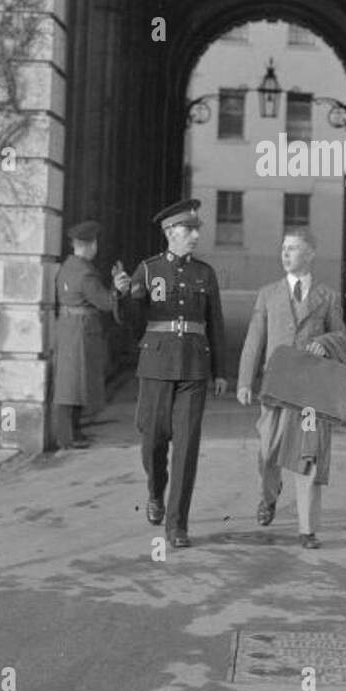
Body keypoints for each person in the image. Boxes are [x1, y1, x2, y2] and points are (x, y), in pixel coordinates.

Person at [236, 228, 346, 549]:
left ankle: (308, 530)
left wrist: (324, 343)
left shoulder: (328, 296)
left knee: (309, 457)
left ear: (310, 254)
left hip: (310, 392)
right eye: (283, 249)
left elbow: (343, 337)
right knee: (267, 454)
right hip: (275, 388)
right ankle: (269, 494)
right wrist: (245, 381)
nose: (285, 254)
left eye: (292, 249)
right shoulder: (268, 294)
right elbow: (254, 339)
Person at [115, 198, 226, 549]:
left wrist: (221, 371)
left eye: (196, 229)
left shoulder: (205, 274)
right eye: (188, 229)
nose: (195, 235)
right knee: (153, 441)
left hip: (194, 367)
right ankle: (154, 492)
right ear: (169, 233)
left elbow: (216, 324)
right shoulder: (147, 271)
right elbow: (131, 320)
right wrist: (121, 297)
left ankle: (177, 525)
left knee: (187, 448)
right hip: (157, 366)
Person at [51, 220, 122, 451]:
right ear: (90, 245)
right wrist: (117, 288)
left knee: (70, 382)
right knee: (74, 384)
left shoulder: (68, 266)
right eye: (95, 243)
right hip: (81, 330)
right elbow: (105, 302)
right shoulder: (85, 273)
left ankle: (71, 432)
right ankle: (68, 436)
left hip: (68, 326)